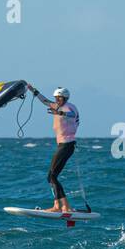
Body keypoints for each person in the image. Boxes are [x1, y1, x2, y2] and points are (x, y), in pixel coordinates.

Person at [27, 84, 80, 213]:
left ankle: (64, 207)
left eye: (59, 98)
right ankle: (58, 205)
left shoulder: (68, 108)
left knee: (52, 176)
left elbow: (71, 115)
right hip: (63, 145)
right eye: (56, 98)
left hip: (67, 145)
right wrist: (33, 90)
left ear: (65, 98)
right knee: (51, 176)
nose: (57, 100)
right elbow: (45, 101)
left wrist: (60, 113)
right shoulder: (57, 106)